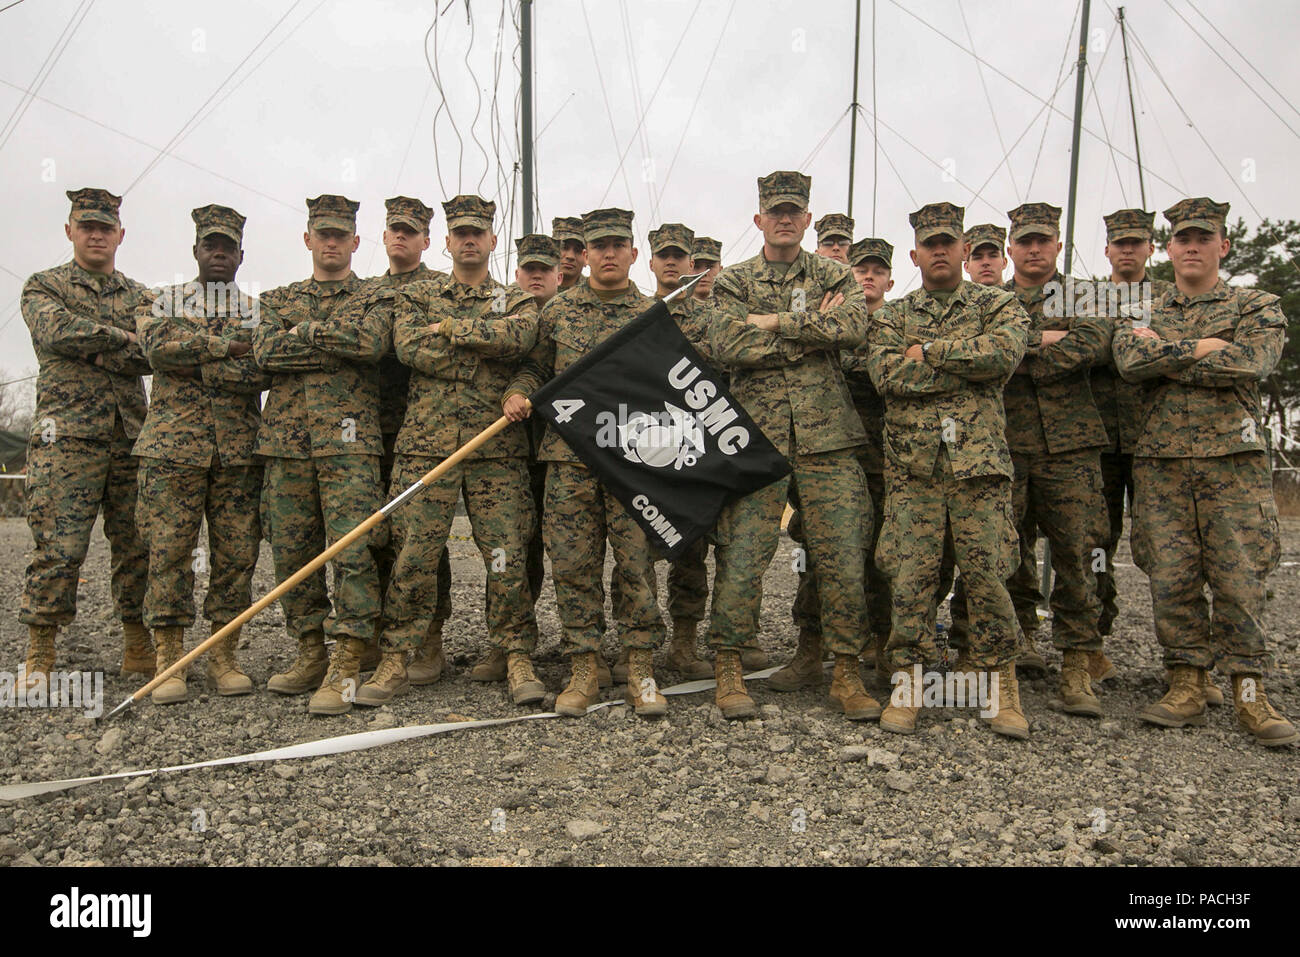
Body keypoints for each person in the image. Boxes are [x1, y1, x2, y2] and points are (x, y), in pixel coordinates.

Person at [1113, 197, 1296, 747]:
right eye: (1182, 238)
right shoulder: (1140, 309)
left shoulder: (1256, 305)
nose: (1192, 246)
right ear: (1167, 249)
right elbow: (1130, 364)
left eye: (1203, 237)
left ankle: (1249, 691)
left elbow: (1253, 361)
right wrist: (1203, 347)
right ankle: (1186, 684)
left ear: (1224, 245)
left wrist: (1169, 355)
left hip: (1232, 465)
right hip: (1162, 465)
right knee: (1172, 578)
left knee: (1239, 578)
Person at [704, 172, 877, 722]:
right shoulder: (733, 281)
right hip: (754, 437)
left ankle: (845, 670)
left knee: (843, 554)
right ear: (759, 220)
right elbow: (727, 341)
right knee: (743, 554)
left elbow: (852, 327)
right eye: (774, 211)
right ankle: (729, 668)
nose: (784, 218)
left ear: (807, 220)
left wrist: (776, 321)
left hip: (828, 439)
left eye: (793, 211)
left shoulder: (836, 273)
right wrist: (812, 324)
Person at [364, 195, 545, 707]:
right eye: (459, 233)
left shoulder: (517, 299)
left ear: (491, 241)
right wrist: (489, 360)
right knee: (414, 554)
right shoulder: (419, 296)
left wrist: (453, 333)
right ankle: (399, 654)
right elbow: (409, 349)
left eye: (478, 233)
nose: (468, 240)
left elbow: (524, 342)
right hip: (426, 446)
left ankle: (515, 655)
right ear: (445, 242)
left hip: (496, 448)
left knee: (506, 554)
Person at [867, 202, 1031, 738]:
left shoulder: (997, 305)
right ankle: (909, 682)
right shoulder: (892, 315)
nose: (940, 251)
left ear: (965, 249)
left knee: (987, 576)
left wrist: (931, 351)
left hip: (978, 467)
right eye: (929, 244)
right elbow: (887, 374)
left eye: (948, 243)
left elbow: (1002, 356)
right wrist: (962, 368)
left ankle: (997, 680)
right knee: (911, 578)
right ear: (914, 254)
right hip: (914, 470)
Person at [505, 208, 670, 719]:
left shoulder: (653, 314)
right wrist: (518, 390)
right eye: (599, 246)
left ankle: (640, 666)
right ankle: (584, 666)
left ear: (634, 253)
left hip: (633, 461)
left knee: (636, 564)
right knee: (573, 564)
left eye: (619, 244)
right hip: (569, 458)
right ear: (583, 254)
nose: (609, 253)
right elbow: (536, 367)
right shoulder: (558, 312)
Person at [17, 188, 152, 693]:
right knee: (59, 546)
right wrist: (121, 340)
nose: (96, 234)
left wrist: (98, 348)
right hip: (66, 439)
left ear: (120, 234)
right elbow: (57, 334)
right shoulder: (43, 286)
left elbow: (154, 352)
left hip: (130, 438)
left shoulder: (141, 296)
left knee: (138, 544)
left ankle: (138, 642)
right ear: (69, 231)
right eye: (86, 225)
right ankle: (41, 649)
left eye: (105, 227)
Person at [255, 194, 386, 715]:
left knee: (353, 550)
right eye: (322, 234)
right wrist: (333, 343)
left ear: (355, 242)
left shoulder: (374, 299)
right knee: (292, 552)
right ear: (307, 239)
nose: (331, 243)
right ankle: (310, 648)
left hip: (350, 447)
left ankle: (349, 659)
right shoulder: (276, 298)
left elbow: (371, 345)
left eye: (341, 236)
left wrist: (303, 334)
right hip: (287, 445)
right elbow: (265, 352)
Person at [132, 204, 269, 703]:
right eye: (210, 244)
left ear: (240, 255)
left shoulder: (260, 310)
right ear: (195, 250)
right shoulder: (162, 301)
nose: (218, 253)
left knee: (237, 557)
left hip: (238, 456)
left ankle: (222, 656)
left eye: (227, 246)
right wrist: (229, 348)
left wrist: (201, 358)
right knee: (168, 554)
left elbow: (265, 369)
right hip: (172, 452)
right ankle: (169, 661)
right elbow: (157, 350)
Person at [772, 236, 895, 691]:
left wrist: (819, 328)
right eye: (860, 268)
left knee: (883, 556)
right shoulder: (825, 313)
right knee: (817, 553)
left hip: (881, 458)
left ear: (890, 278)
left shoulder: (895, 322)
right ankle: (810, 646)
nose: (867, 276)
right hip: (823, 448)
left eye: (876, 270)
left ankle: (882, 646)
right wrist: (817, 326)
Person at [1002, 202, 1109, 717]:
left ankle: (1077, 664)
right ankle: (1019, 640)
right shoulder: (989, 300)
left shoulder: (1084, 296)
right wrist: (1045, 341)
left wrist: (1020, 352)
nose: (1035, 249)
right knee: (1008, 550)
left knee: (1078, 556)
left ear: (1059, 245)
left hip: (1072, 448)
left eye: (1044, 240)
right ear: (1010, 248)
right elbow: (987, 352)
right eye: (1025, 241)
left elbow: (1091, 347)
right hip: (1006, 445)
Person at [364, 196, 451, 687]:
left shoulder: (442, 289)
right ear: (383, 236)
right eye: (395, 229)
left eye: (411, 231)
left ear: (426, 241)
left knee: (424, 540)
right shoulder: (366, 291)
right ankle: (379, 634)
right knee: (380, 536)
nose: (401, 237)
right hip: (368, 431)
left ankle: (429, 640)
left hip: (424, 429)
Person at [1091, 208, 1174, 687]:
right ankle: (1095, 644)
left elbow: (1179, 343)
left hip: (1156, 440)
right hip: (1097, 440)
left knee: (1166, 547)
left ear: (1149, 248)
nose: (1127, 250)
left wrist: (1160, 345)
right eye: (1119, 243)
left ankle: (1183, 660)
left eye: (1135, 242)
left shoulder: (1171, 298)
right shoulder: (1084, 298)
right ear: (1106, 250)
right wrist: (1137, 343)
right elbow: (1084, 348)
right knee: (1094, 545)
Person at [645, 222, 717, 680]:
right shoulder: (635, 316)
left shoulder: (713, 319)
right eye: (663, 255)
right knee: (638, 554)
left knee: (692, 550)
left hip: (695, 451)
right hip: (643, 448)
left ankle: (684, 644)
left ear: (693, 265)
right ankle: (638, 647)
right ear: (650, 262)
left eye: (679, 256)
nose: (671, 262)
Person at [552, 216, 587, 291]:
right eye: (564, 248)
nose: (570, 256)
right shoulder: (533, 289)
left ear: (586, 257)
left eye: (578, 250)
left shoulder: (596, 294)